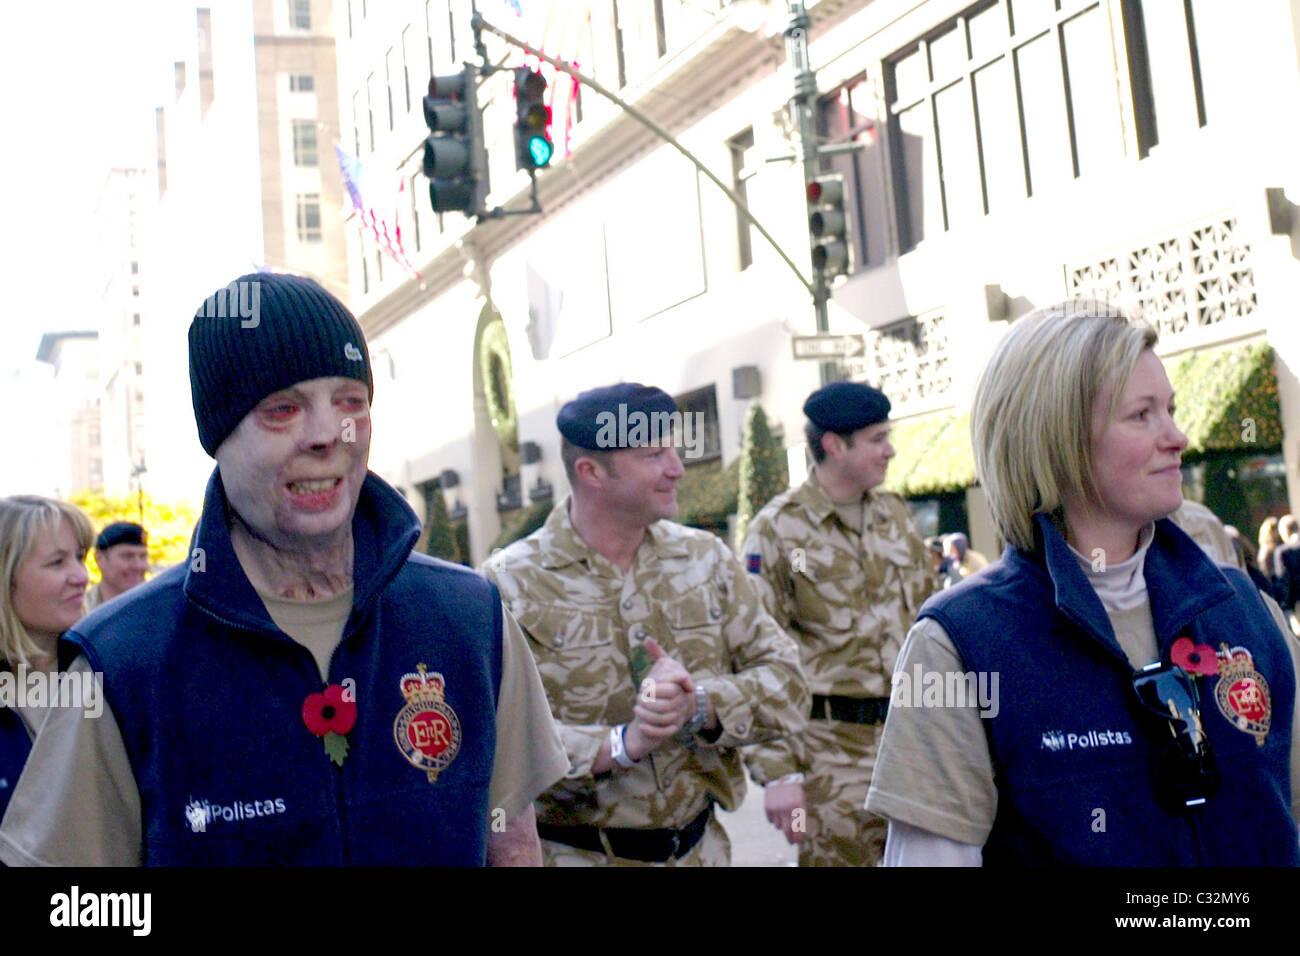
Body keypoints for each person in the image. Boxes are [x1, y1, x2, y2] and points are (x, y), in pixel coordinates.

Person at [0, 272, 567, 866]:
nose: (327, 435)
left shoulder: (468, 617)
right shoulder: (122, 663)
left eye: (350, 402)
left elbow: (510, 843)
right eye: (283, 409)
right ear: (219, 436)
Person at [867, 302, 1300, 865]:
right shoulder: (957, 645)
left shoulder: (1247, 609)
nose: (1179, 437)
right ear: (1058, 439)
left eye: (1169, 409)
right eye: (1142, 415)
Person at [481, 383, 809, 866]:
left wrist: (700, 704)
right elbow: (489, 735)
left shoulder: (707, 559)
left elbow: (789, 680)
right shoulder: (507, 584)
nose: (677, 468)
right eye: (654, 454)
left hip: (702, 852)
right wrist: (618, 744)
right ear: (591, 471)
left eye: (673, 450)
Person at [740, 381, 937, 866]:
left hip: (913, 741)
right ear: (833, 445)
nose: (889, 450)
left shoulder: (895, 516)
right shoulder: (778, 528)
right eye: (877, 439)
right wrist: (779, 773)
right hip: (829, 757)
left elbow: (931, 624)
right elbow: (752, 653)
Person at [0, 496, 93, 820]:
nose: (81, 576)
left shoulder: (108, 673)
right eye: (57, 562)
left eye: (80, 558)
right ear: (5, 578)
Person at [85, 521, 150, 611]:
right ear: (100, 559)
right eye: (127, 556)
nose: (138, 566)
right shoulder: (80, 610)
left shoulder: (161, 607)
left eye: (143, 557)